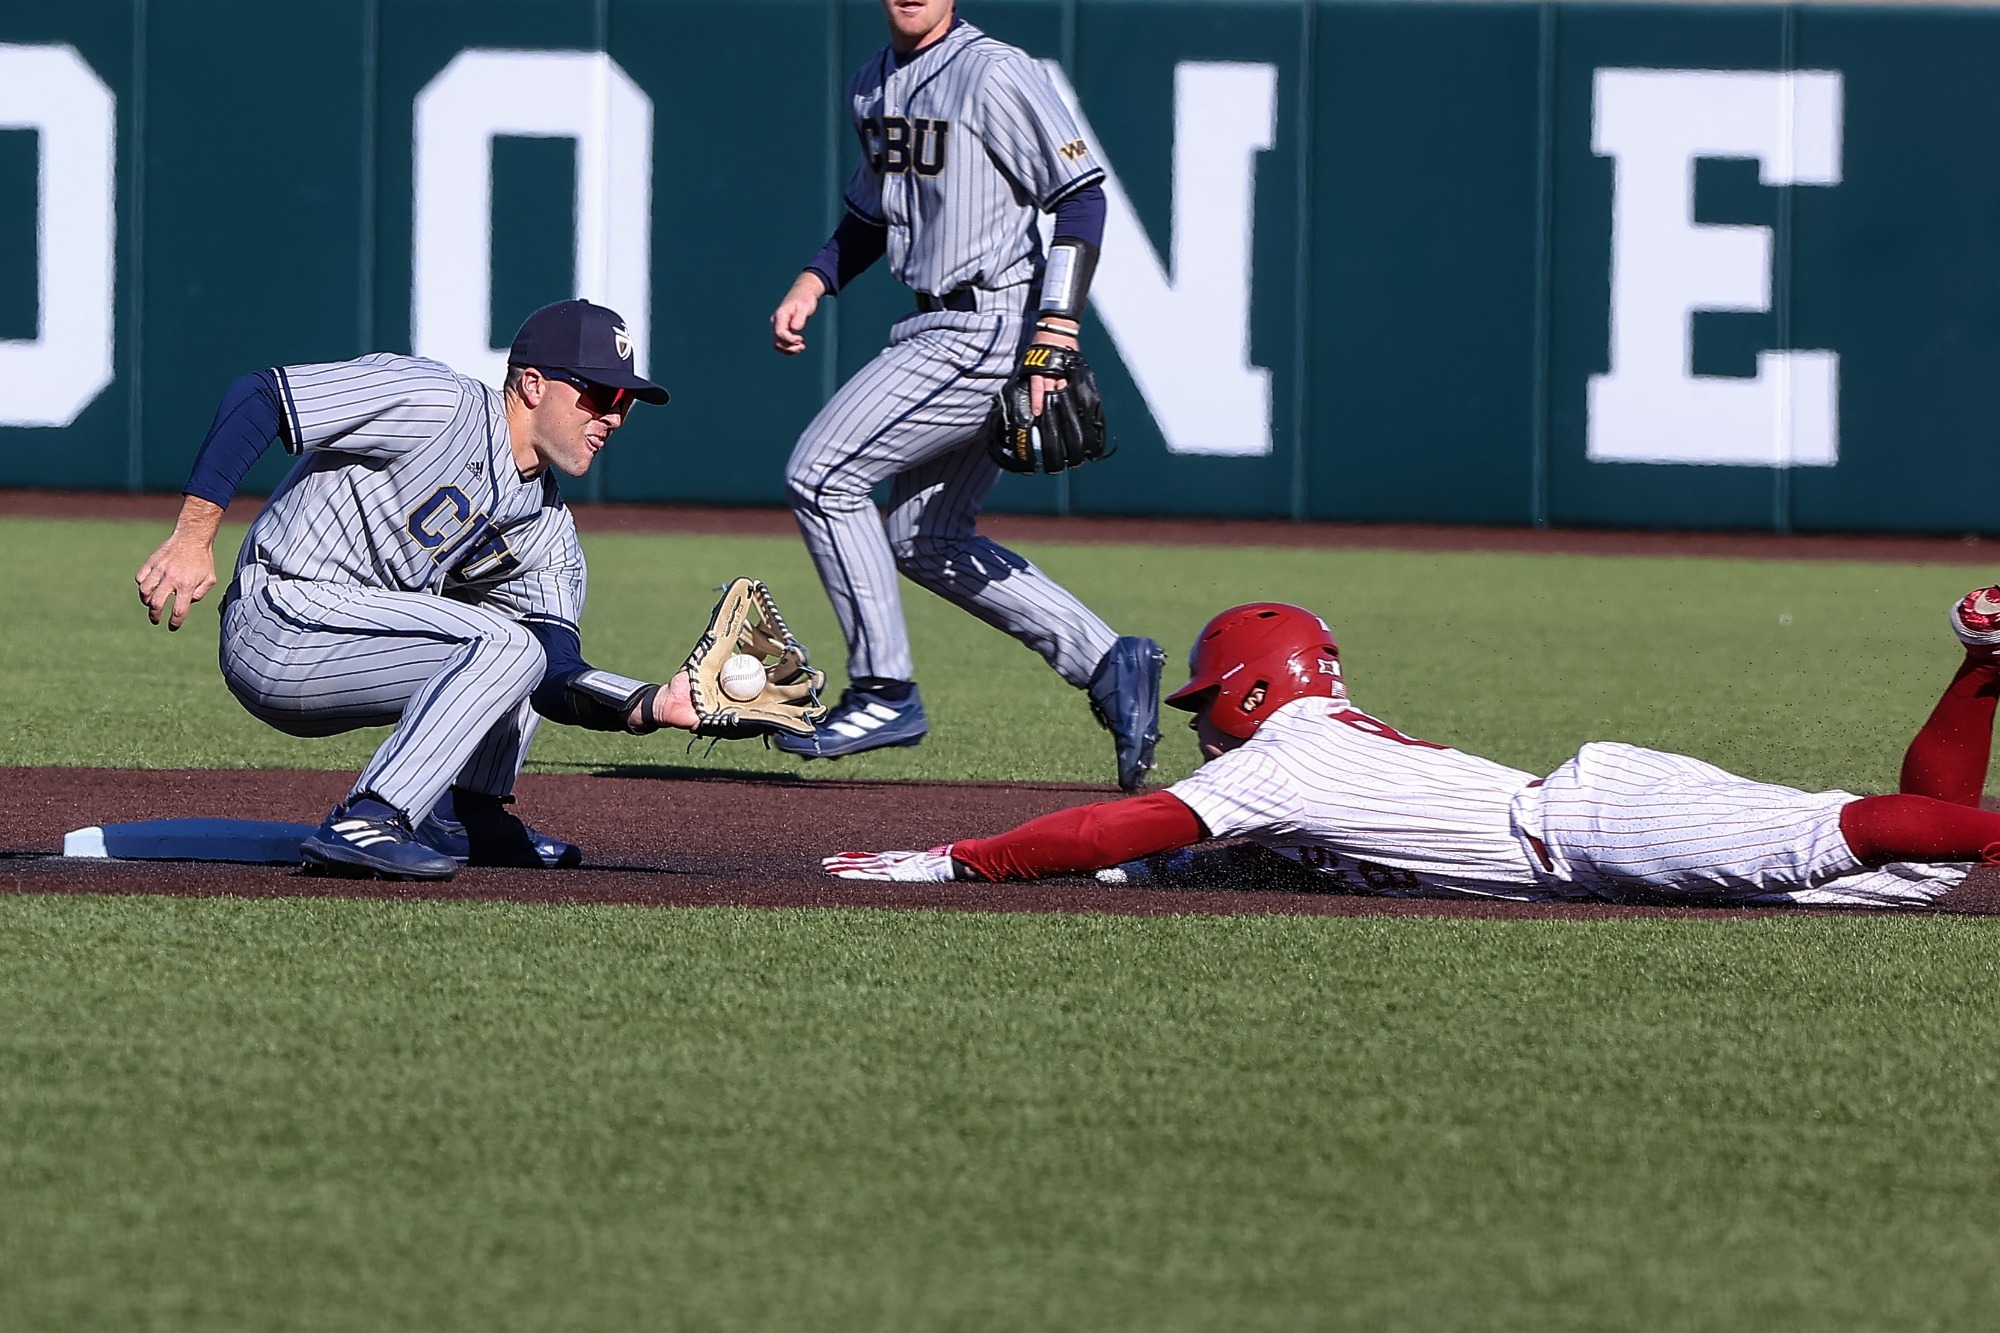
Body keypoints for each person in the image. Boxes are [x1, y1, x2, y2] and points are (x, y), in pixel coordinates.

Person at [824, 591, 2000, 909]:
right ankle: (1981, 661)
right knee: (1917, 859)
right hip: (1583, 818)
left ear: (1248, 686)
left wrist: (960, 858)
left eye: (1203, 698)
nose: (1196, 718)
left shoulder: (1276, 754)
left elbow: (1117, 826)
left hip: (1588, 827)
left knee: (1848, 831)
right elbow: (1172, 857)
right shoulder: (1317, 746)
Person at [136, 299, 713, 882]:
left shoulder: (549, 532)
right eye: (602, 395)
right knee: (506, 644)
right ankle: (369, 818)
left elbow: (555, 673)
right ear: (534, 386)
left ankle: (465, 815)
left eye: (626, 404)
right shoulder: (438, 404)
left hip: (360, 647)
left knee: (522, 650)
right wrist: (193, 537)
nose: (615, 417)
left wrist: (652, 703)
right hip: (279, 620)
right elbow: (260, 397)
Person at [767, 0, 1163, 791]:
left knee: (821, 473)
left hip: (990, 325)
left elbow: (1080, 196)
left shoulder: (995, 70)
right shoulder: (872, 83)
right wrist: (816, 279)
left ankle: (883, 690)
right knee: (924, 538)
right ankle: (1109, 661)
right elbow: (866, 215)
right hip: (940, 324)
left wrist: (1056, 331)